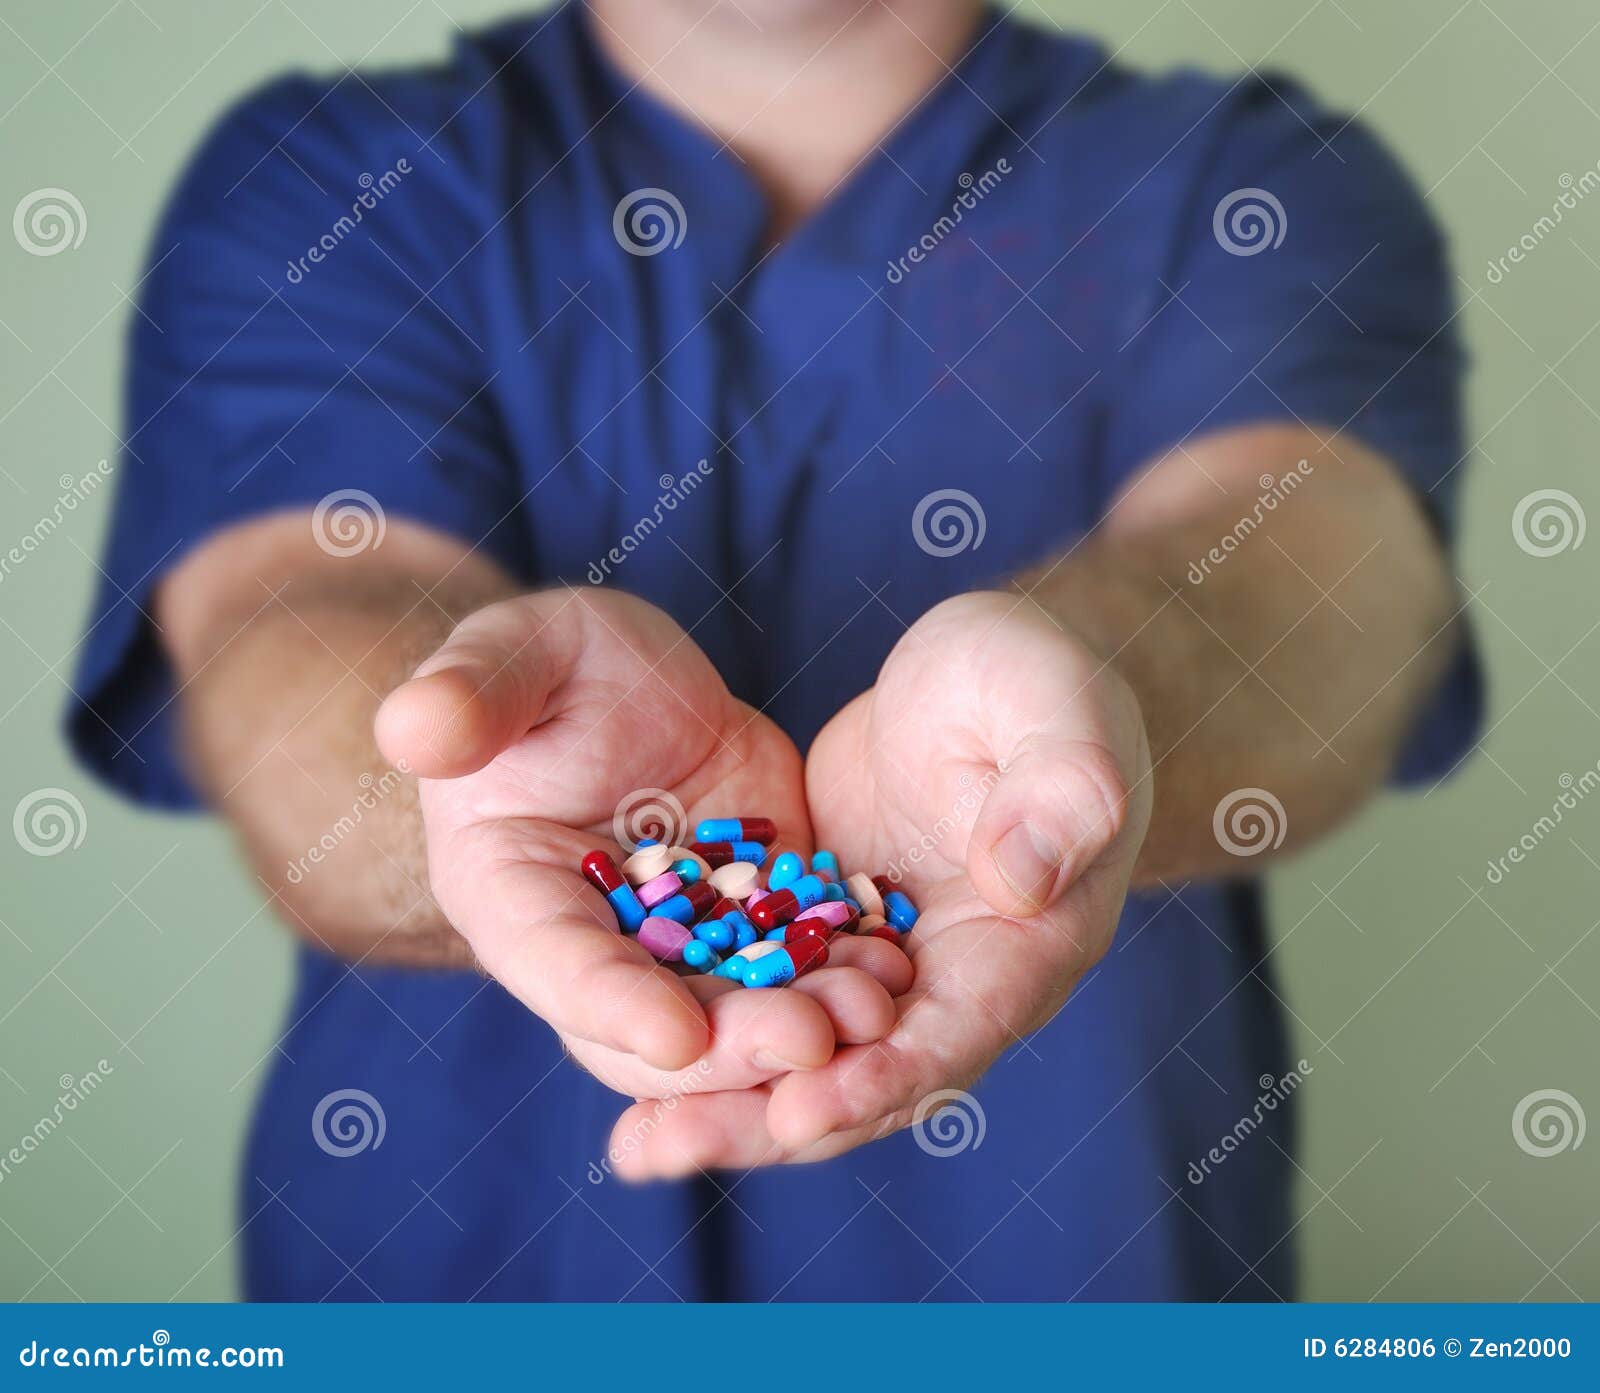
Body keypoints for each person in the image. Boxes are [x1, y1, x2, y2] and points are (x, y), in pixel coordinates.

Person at [70, 0, 1479, 1300]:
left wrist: (1083, 688)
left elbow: (1316, 577)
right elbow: (293, 630)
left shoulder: (1253, 183)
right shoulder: (331, 177)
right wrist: (462, 759)